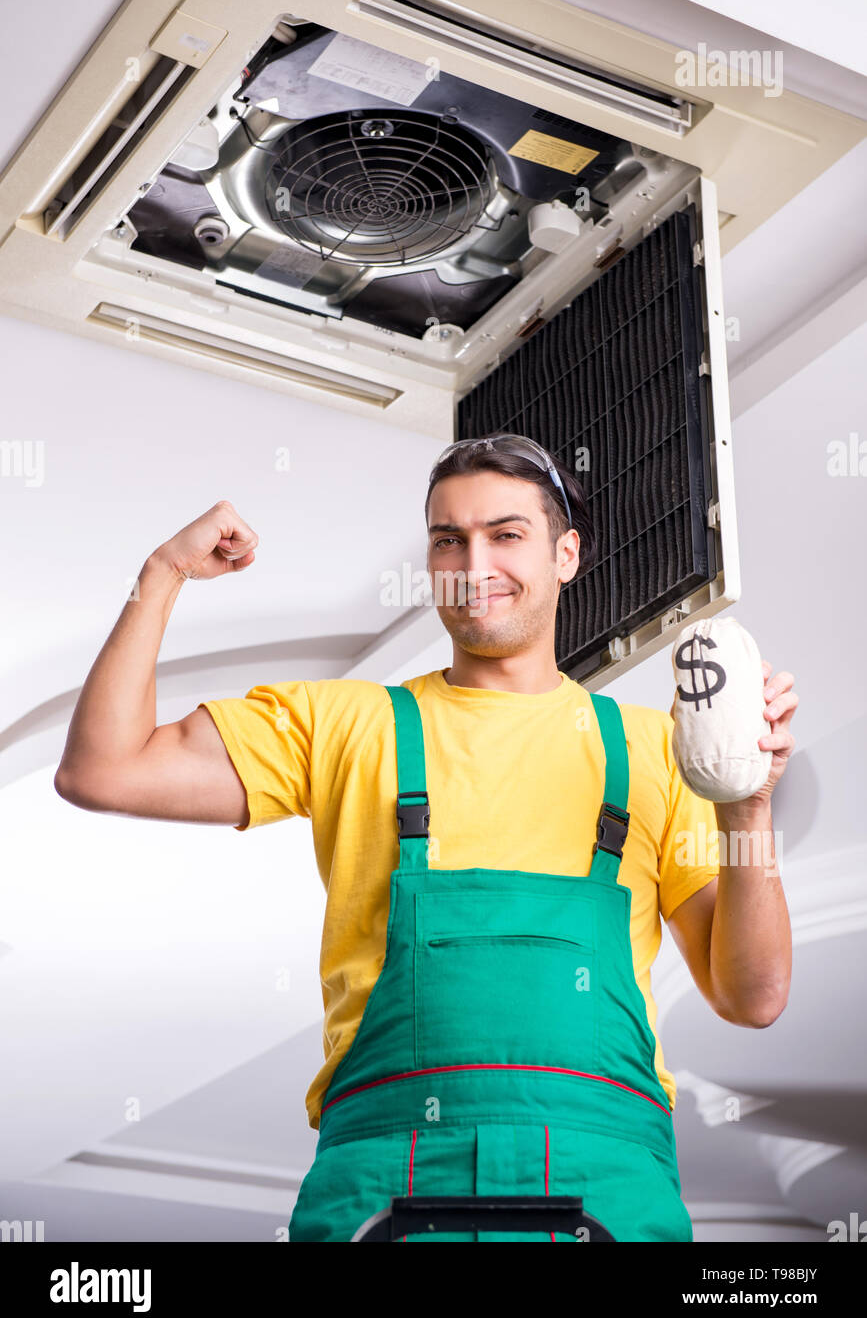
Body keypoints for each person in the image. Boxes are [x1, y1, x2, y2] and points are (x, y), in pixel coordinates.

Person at [54, 434, 795, 1242]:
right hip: (383, 1175)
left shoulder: (656, 748)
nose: (472, 563)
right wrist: (163, 574)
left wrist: (746, 810)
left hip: (609, 1179)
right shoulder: (343, 724)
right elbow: (102, 769)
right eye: (448, 539)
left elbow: (751, 997)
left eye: (505, 534)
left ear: (566, 554)